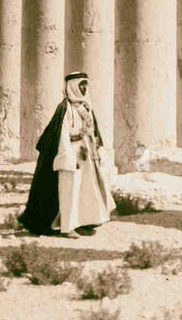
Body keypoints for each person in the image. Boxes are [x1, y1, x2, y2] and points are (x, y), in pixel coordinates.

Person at [18, 72, 115, 238]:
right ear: (73, 86)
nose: (84, 88)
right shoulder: (65, 108)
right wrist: (68, 156)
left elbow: (95, 131)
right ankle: (67, 227)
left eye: (86, 85)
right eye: (81, 85)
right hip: (71, 156)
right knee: (70, 191)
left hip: (88, 158)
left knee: (86, 192)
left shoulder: (86, 107)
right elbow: (61, 135)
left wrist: (98, 149)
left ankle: (84, 222)